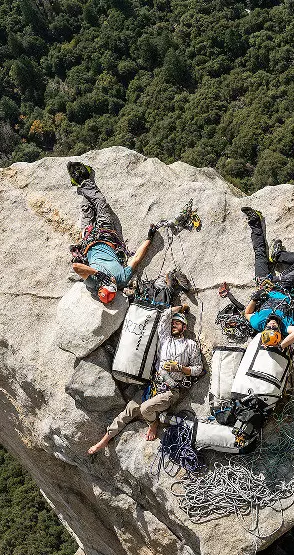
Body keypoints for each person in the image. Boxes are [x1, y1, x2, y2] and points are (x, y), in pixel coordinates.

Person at [88, 304, 203, 454]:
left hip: (170, 390)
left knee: (145, 408)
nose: (174, 325)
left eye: (178, 323)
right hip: (153, 385)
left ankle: (153, 422)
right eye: (173, 323)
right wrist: (180, 307)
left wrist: (180, 368)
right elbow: (165, 316)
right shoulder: (164, 338)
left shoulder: (190, 345)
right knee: (128, 411)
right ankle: (103, 442)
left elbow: (198, 369)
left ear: (185, 327)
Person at [218, 207, 294, 351]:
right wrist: (280, 346)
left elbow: (247, 313)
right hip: (283, 286)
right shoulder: (286, 326)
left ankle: (254, 221)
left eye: (269, 328)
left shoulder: (259, 323)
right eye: (274, 329)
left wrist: (255, 299)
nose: (272, 325)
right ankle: (278, 255)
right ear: (279, 332)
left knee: (260, 254)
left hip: (264, 287)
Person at [68, 161, 156, 304]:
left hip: (88, 239)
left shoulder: (94, 282)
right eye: (112, 284)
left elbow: (76, 267)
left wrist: (98, 274)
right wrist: (149, 238)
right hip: (106, 233)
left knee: (86, 207)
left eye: (109, 283)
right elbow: (136, 259)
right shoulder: (122, 279)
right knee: (100, 202)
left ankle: (82, 181)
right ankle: (84, 180)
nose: (112, 281)